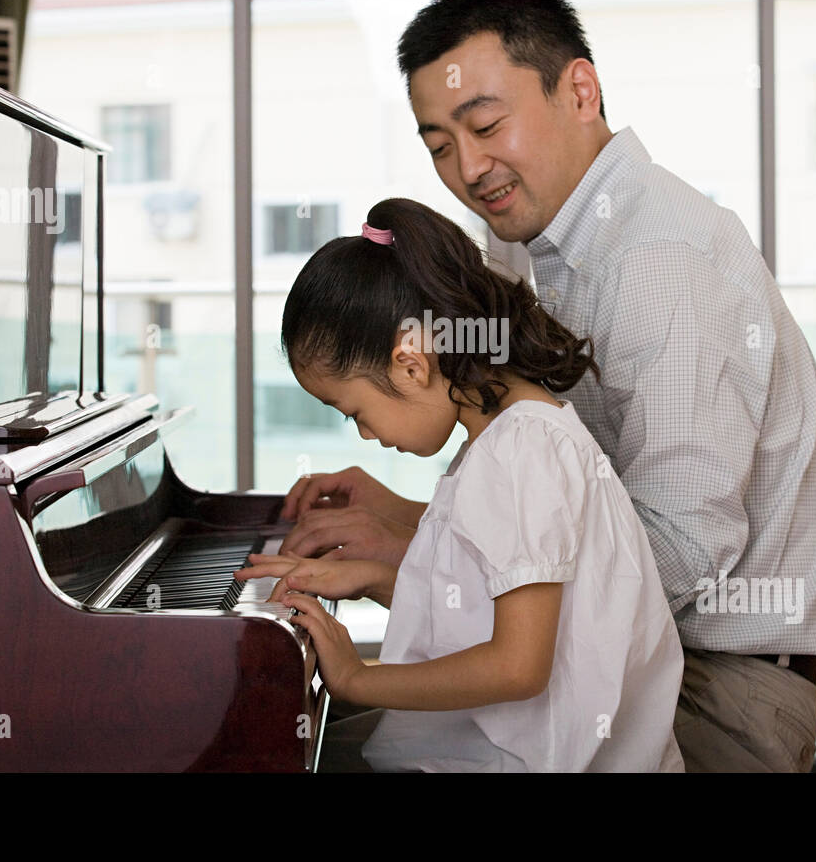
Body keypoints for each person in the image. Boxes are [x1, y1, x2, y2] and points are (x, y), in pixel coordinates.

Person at [281, 0, 816, 772]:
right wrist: (412, 523)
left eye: (485, 126)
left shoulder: (661, 261)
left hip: (713, 689)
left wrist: (410, 554)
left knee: (337, 748)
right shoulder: (531, 244)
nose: (468, 170)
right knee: (314, 745)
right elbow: (560, 509)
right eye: (441, 146)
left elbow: (671, 557)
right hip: (623, 663)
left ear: (580, 90)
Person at [239, 196, 684, 773]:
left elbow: (517, 666)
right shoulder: (507, 438)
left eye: (353, 411)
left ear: (410, 364)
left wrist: (357, 677)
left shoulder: (520, 451)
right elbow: (485, 611)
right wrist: (373, 577)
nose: (366, 436)